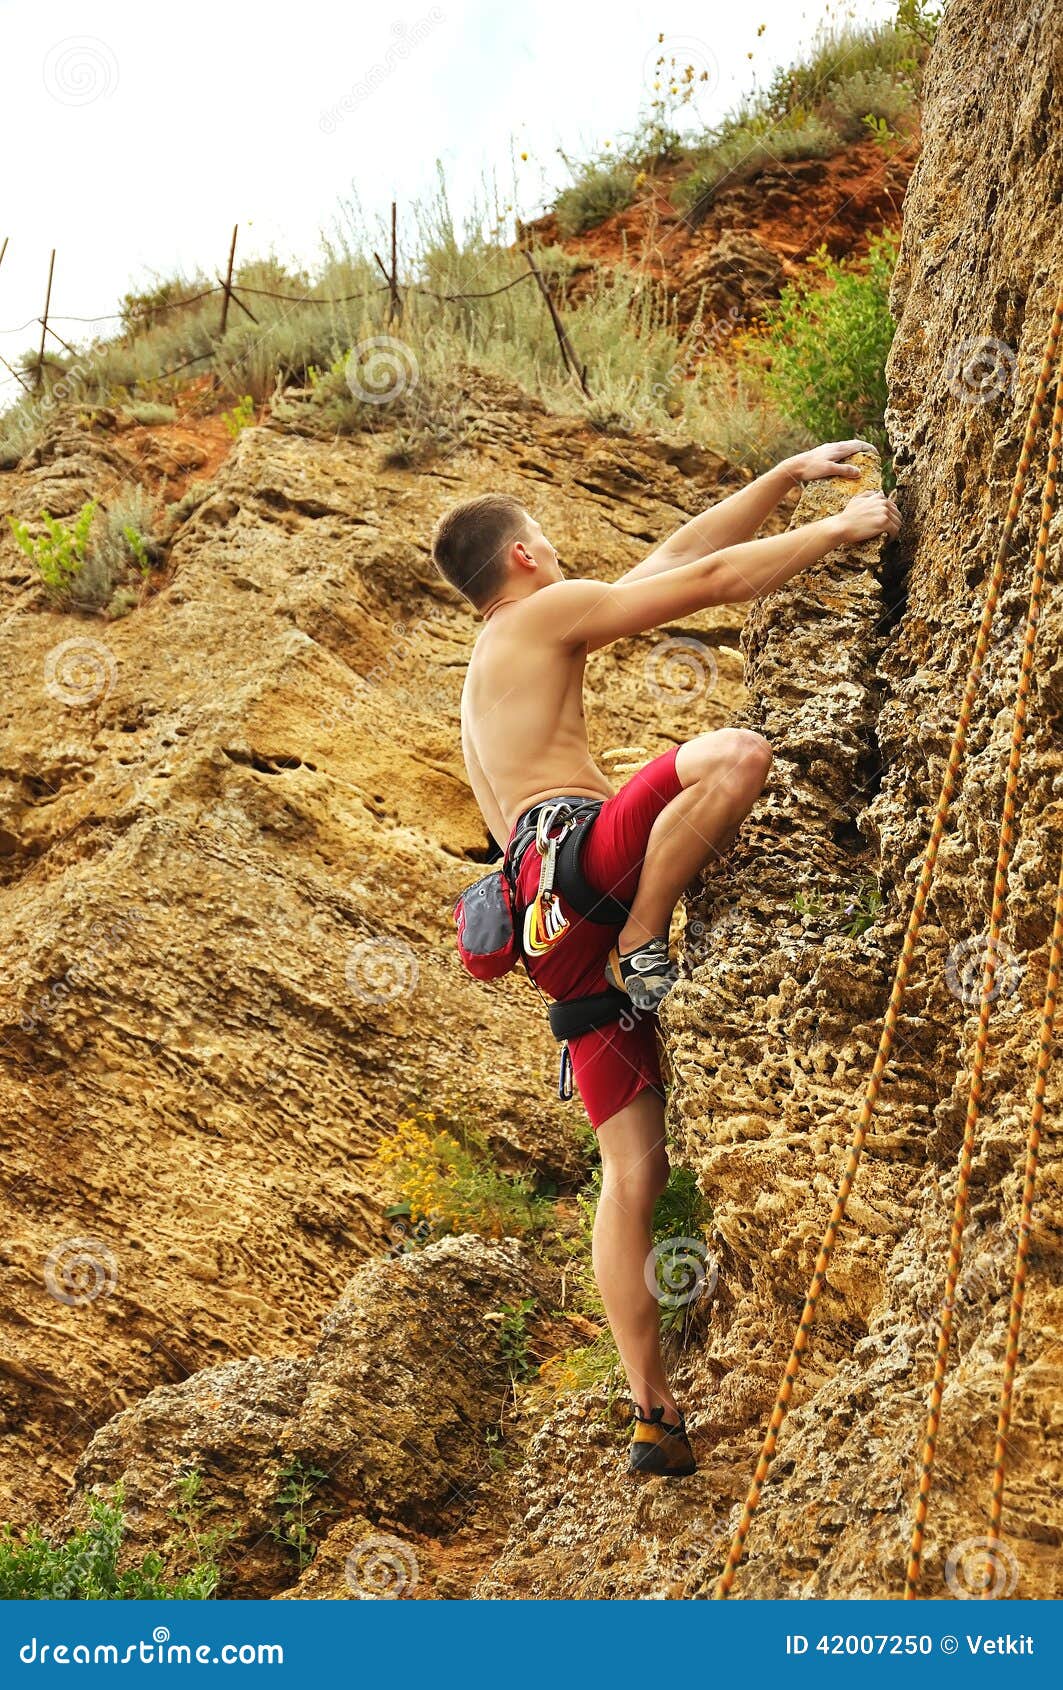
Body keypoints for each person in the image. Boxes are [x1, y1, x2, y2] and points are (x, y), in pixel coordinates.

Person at [432, 442, 901, 1477]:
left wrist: (781, 476)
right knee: (736, 755)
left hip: (550, 938)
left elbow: (674, 557)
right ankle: (651, 928)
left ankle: (650, 1411)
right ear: (524, 552)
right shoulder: (539, 616)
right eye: (547, 536)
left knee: (630, 1171)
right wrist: (839, 528)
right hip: (586, 879)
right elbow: (712, 582)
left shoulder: (500, 656)